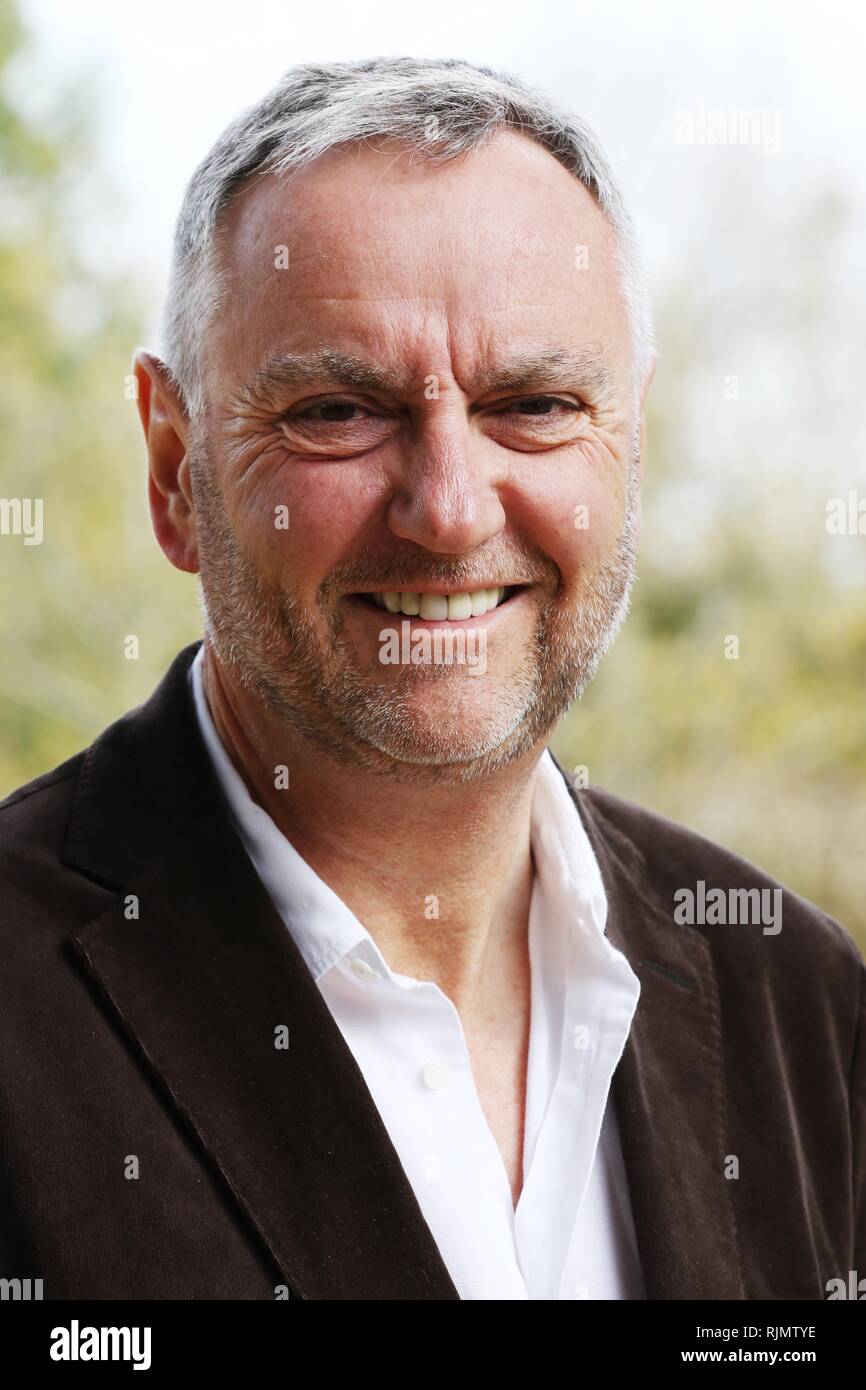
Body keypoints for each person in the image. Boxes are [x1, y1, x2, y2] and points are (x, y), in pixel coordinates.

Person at [1, 56, 862, 1301]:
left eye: (534, 404)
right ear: (173, 464)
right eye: (340, 411)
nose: (450, 513)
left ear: (632, 443)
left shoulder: (796, 997)